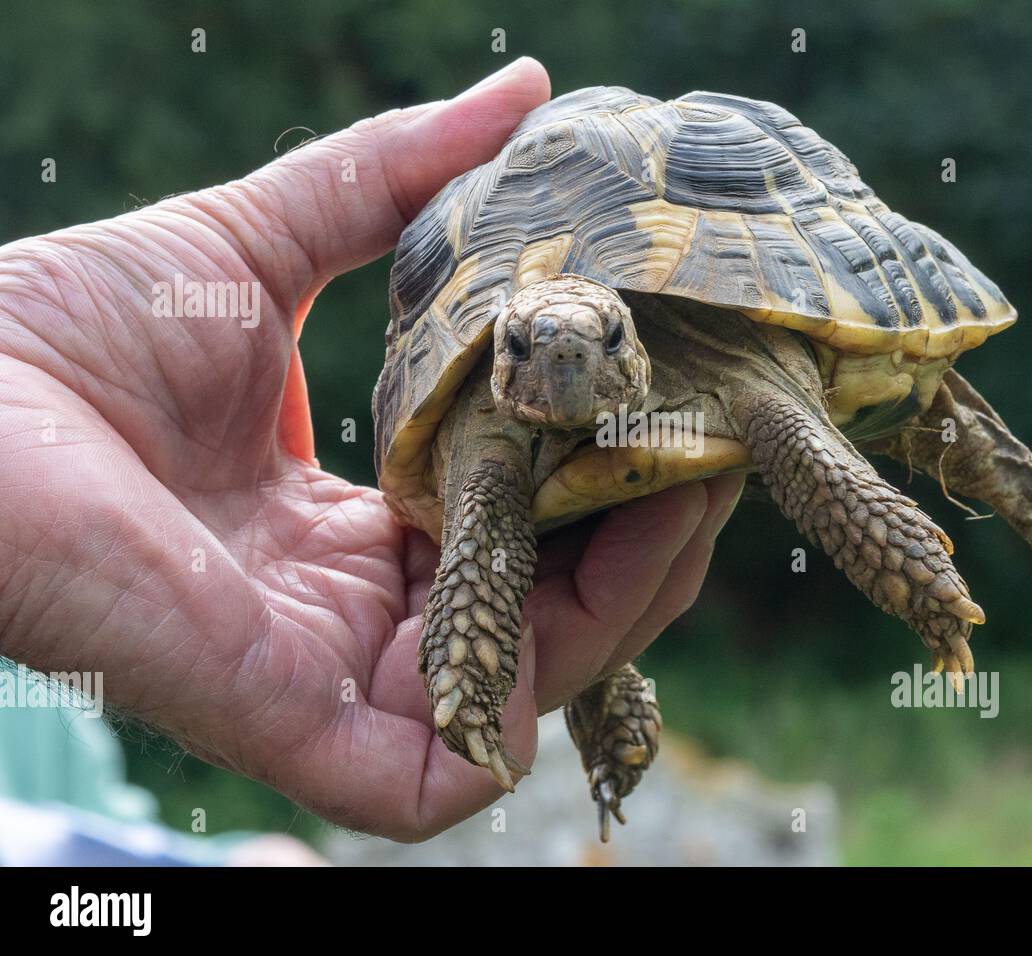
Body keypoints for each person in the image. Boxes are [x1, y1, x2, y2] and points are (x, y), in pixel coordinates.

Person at [0, 58, 743, 842]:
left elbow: (103, 840)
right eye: (523, 348)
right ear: (498, 357)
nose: (559, 364)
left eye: (592, 347)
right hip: (494, 466)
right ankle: (596, 685)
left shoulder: (38, 739)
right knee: (529, 559)